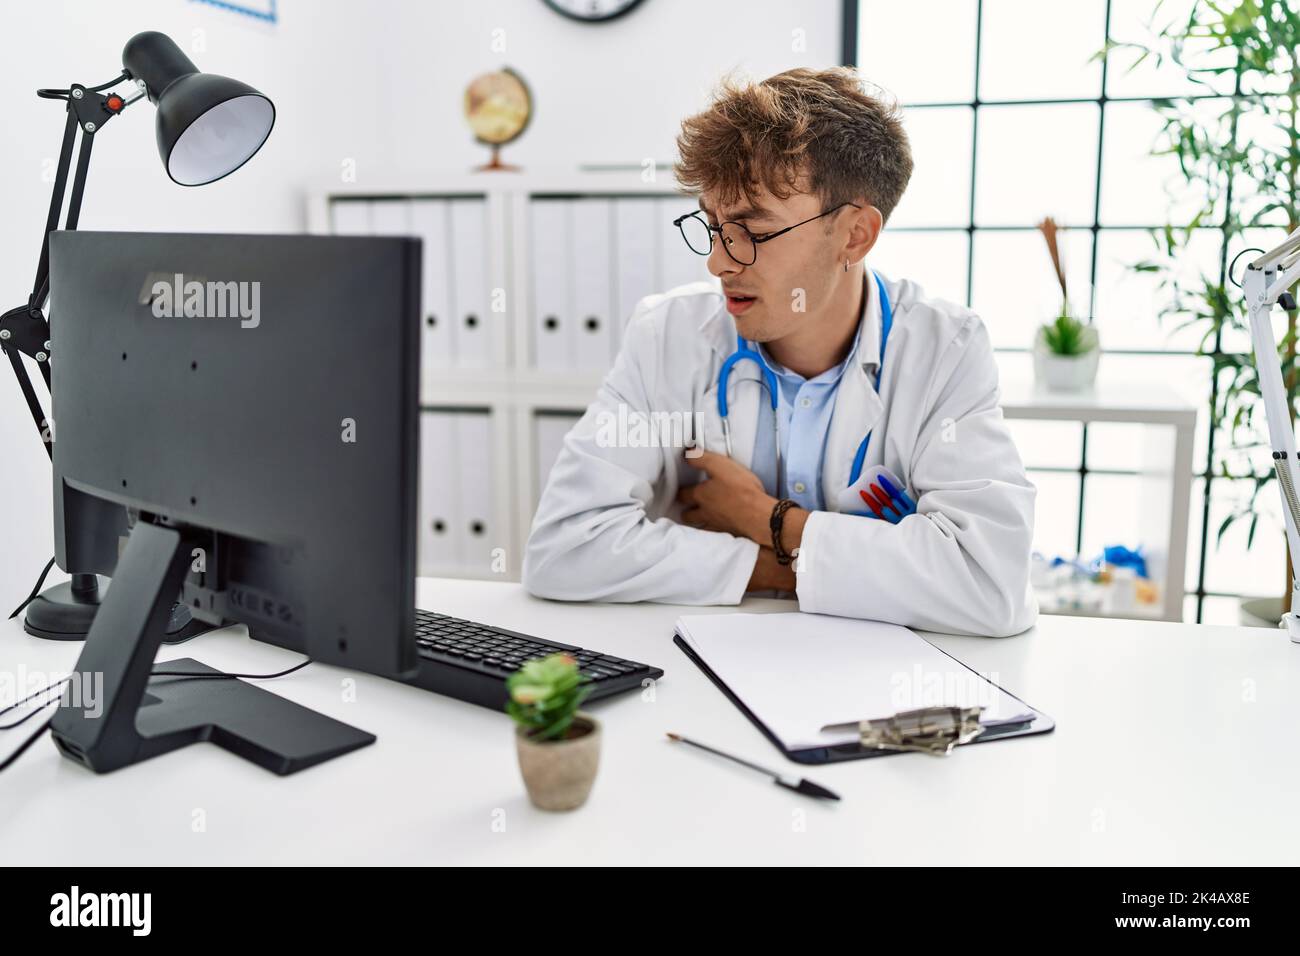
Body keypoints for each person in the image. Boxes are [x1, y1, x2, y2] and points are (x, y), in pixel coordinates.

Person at [522, 67, 1037, 637]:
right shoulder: (667, 335)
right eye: (713, 225)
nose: (718, 262)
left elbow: (991, 584)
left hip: (878, 685)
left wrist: (760, 517)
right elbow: (564, 548)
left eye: (751, 231)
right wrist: (789, 565)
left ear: (855, 234)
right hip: (708, 669)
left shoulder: (945, 349)